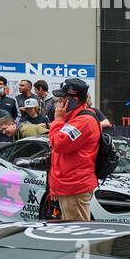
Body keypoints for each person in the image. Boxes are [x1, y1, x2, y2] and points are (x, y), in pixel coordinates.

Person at [48, 78, 101, 221]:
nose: (59, 102)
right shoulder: (74, 118)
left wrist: (58, 119)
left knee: (78, 236)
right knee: (69, 233)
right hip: (68, 185)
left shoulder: (84, 121)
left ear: (74, 99)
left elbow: (58, 144)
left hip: (75, 186)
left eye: (63, 97)